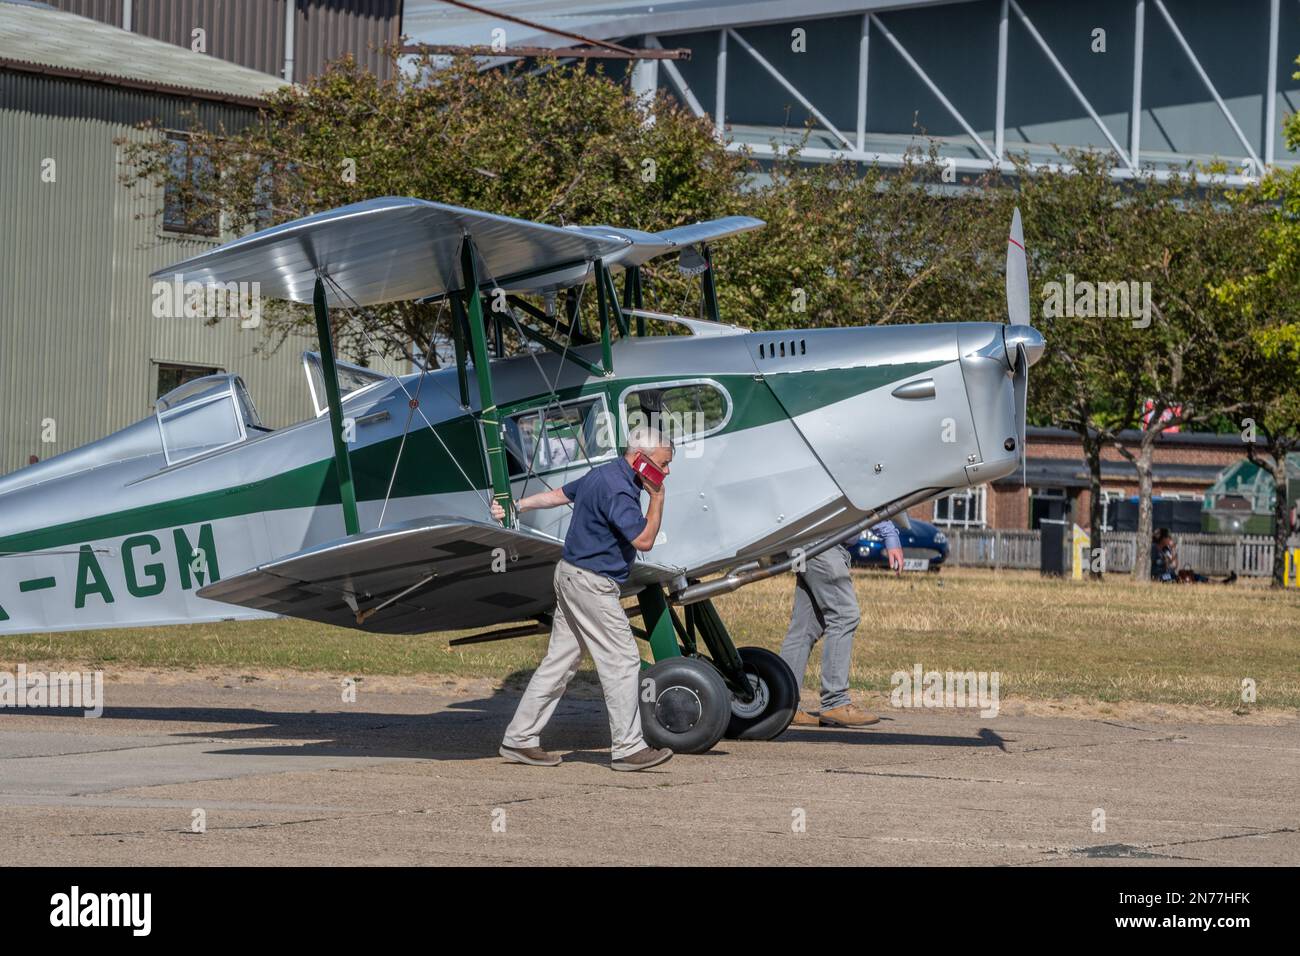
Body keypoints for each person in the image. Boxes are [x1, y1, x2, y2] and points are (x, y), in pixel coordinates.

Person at [494, 426, 675, 772]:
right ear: (641, 459)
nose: (666, 472)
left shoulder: (602, 473)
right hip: (591, 584)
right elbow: (644, 541)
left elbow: (560, 494)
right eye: (663, 464)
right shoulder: (620, 490)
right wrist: (658, 498)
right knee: (622, 659)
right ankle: (627, 748)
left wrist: (516, 506)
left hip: (570, 575)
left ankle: (519, 739)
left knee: (559, 662)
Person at [783, 520, 905, 728]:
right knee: (844, 615)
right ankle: (835, 702)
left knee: (805, 628)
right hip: (821, 542)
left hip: (805, 541)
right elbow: (866, 495)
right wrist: (890, 536)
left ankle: (783, 705)